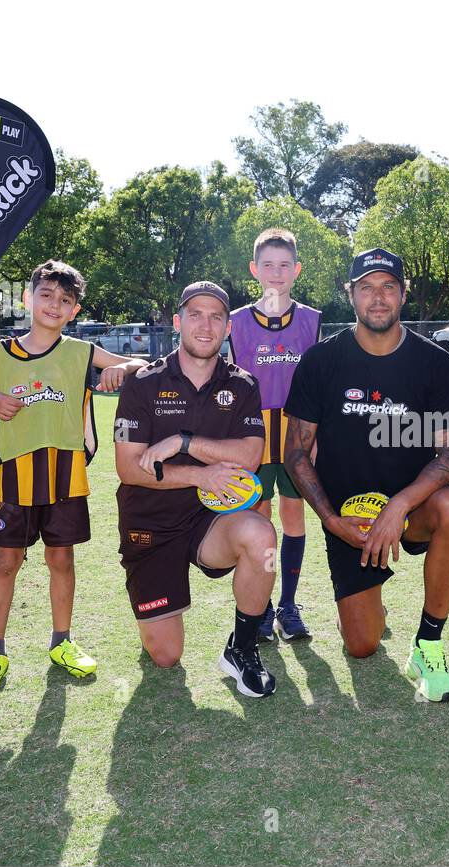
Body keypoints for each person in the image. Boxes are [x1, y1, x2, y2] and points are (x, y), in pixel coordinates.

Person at [283, 248, 449, 702]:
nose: (378, 297)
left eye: (388, 286)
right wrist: (332, 521)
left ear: (403, 293)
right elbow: (295, 453)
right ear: (350, 295)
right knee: (362, 645)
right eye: (366, 287)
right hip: (351, 518)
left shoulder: (434, 362)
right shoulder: (320, 361)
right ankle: (368, 604)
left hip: (414, 506)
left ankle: (428, 643)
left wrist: (401, 505)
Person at [0, 260, 148, 696]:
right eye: (46, 295)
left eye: (64, 300)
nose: (54, 304)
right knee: (5, 562)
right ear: (28, 299)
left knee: (61, 559)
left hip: (66, 476)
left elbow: (142, 361)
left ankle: (61, 642)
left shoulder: (80, 352)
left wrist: (121, 369)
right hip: (12, 476)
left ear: (75, 310)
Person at [113, 281, 278, 697]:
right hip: (151, 521)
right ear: (177, 321)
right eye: (195, 314)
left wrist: (184, 443)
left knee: (262, 536)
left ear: (227, 328)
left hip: (211, 519)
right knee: (166, 655)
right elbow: (130, 469)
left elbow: (250, 456)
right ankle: (153, 604)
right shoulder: (142, 383)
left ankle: (242, 649)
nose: (205, 325)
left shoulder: (243, 384)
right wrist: (200, 474)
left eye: (216, 316)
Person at [227, 228, 320, 642]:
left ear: (297, 270)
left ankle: (289, 605)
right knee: (260, 520)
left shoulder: (312, 321)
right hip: (254, 439)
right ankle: (261, 607)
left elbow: (320, 384)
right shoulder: (235, 323)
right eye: (268, 265)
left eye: (285, 265)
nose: (277, 272)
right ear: (254, 269)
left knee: (294, 517)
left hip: (298, 438)